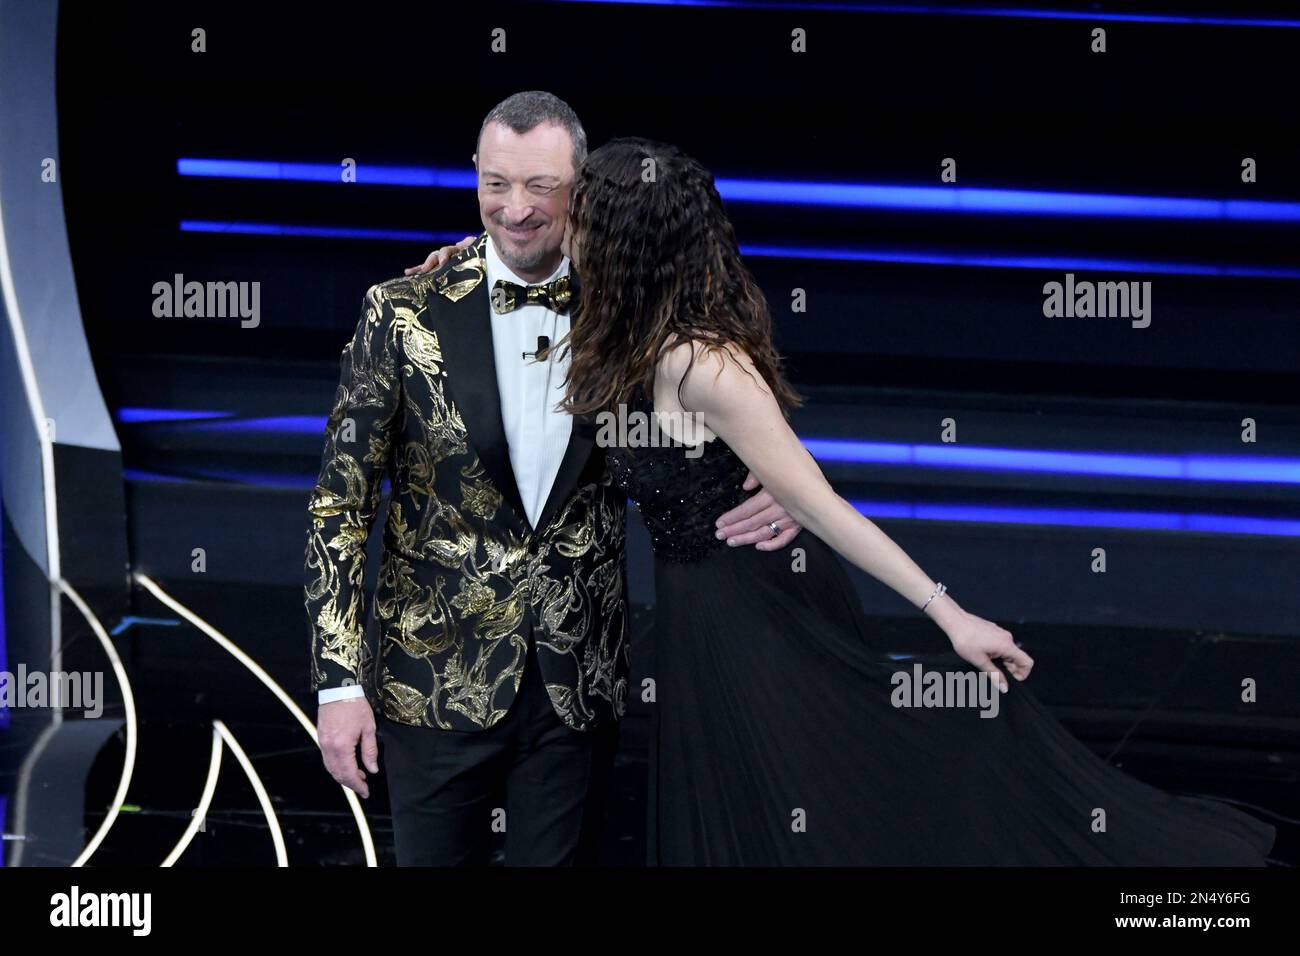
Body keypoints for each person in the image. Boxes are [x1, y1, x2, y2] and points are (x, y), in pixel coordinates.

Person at [412, 136, 1277, 865]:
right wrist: (466, 257)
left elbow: (821, 506)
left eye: (582, 218)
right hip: (694, 602)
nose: (559, 225)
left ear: (627, 242)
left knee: (817, 781)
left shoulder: (699, 361)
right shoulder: (612, 314)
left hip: (757, 600)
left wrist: (952, 616)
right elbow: (524, 262)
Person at [304, 92, 802, 866]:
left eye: (542, 186)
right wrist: (339, 686)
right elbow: (340, 506)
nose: (517, 208)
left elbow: (731, 373)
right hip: (430, 680)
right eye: (496, 183)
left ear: (585, 189)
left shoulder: (630, 308)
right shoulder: (403, 312)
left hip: (578, 683)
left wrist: (787, 478)